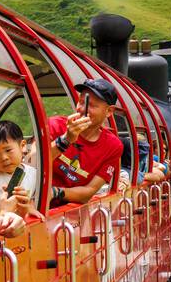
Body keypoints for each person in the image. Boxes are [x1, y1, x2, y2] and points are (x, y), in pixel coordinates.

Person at [45, 78, 124, 207]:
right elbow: (33, 162)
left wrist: (55, 192)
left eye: (92, 105)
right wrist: (66, 139)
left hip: (69, 213)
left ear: (109, 111)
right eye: (81, 102)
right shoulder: (55, 125)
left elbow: (88, 192)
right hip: (36, 204)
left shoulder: (113, 146)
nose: (83, 109)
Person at [0, 120, 38, 217]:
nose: (4, 158)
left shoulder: (34, 173)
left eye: (8, 150)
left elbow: (32, 197)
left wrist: (30, 207)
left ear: (23, 146)